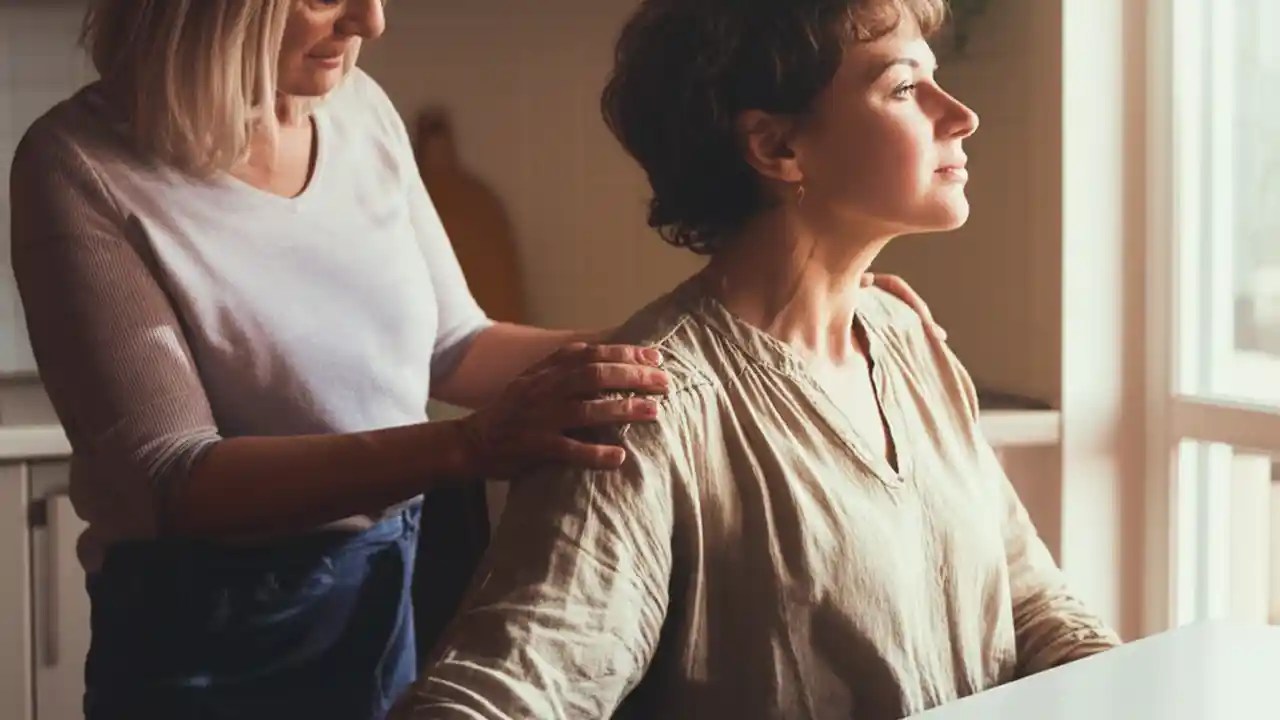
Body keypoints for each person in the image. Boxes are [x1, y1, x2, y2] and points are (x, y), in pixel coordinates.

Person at [7, 0, 938, 718]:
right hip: (203, 642)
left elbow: (456, 346)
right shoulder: (78, 165)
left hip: (388, 597)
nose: (372, 21)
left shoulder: (359, 111)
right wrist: (464, 450)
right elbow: (169, 477)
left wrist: (744, 338)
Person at [391, 0, 1121, 718]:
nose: (960, 114)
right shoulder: (645, 408)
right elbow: (506, 688)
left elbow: (1029, 604)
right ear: (776, 148)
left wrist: (1133, 688)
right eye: (904, 87)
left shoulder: (908, 339)